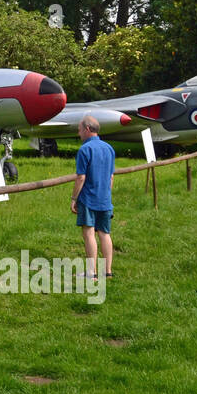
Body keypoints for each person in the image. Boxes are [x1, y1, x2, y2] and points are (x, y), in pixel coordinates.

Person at [70, 114, 116, 279]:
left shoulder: (85, 149)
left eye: (80, 130)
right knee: (104, 233)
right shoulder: (109, 148)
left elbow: (81, 177)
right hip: (105, 199)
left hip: (88, 199)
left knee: (89, 233)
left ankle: (92, 273)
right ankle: (108, 271)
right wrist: (106, 194)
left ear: (87, 129)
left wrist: (74, 199)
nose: (79, 133)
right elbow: (111, 177)